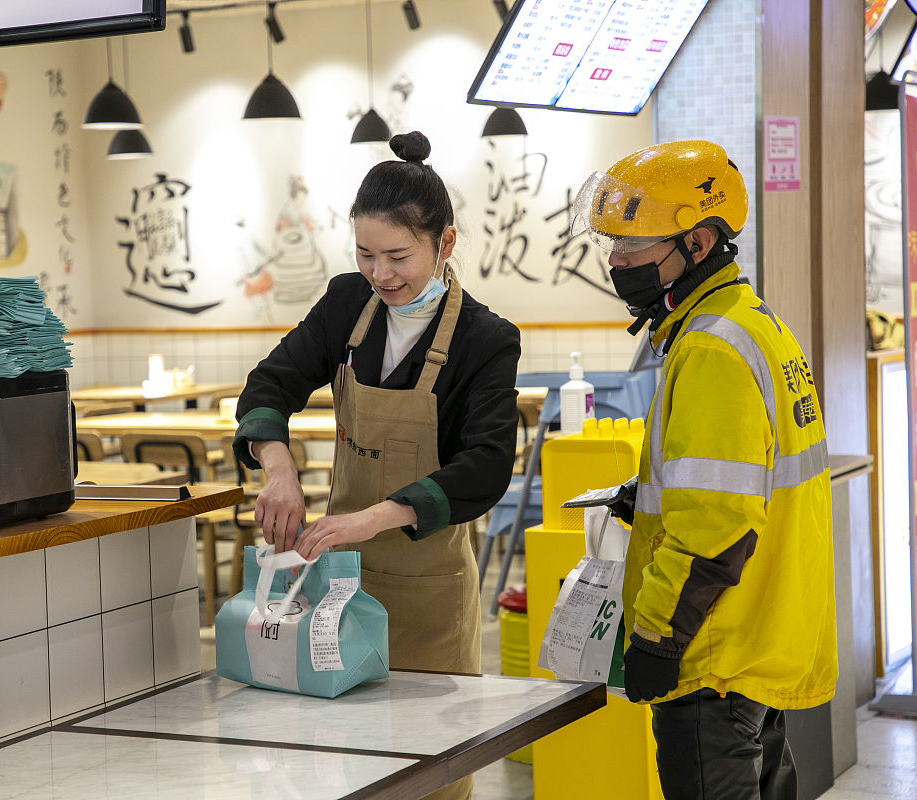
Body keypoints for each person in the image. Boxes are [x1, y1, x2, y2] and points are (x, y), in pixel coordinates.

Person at [232, 130, 520, 800]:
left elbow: (486, 465)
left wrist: (375, 519)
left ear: (444, 245)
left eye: (398, 256)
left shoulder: (484, 338)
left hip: (430, 595)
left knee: (432, 772)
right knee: (347, 767)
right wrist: (277, 467)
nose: (380, 274)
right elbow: (268, 385)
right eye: (365, 254)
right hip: (339, 586)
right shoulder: (345, 305)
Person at [570, 140, 836, 800]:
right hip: (759, 635)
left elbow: (717, 526)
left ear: (698, 242)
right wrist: (651, 497)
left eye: (634, 245)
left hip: (715, 652)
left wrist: (657, 637)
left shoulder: (712, 347)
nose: (616, 260)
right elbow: (732, 484)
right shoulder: (744, 321)